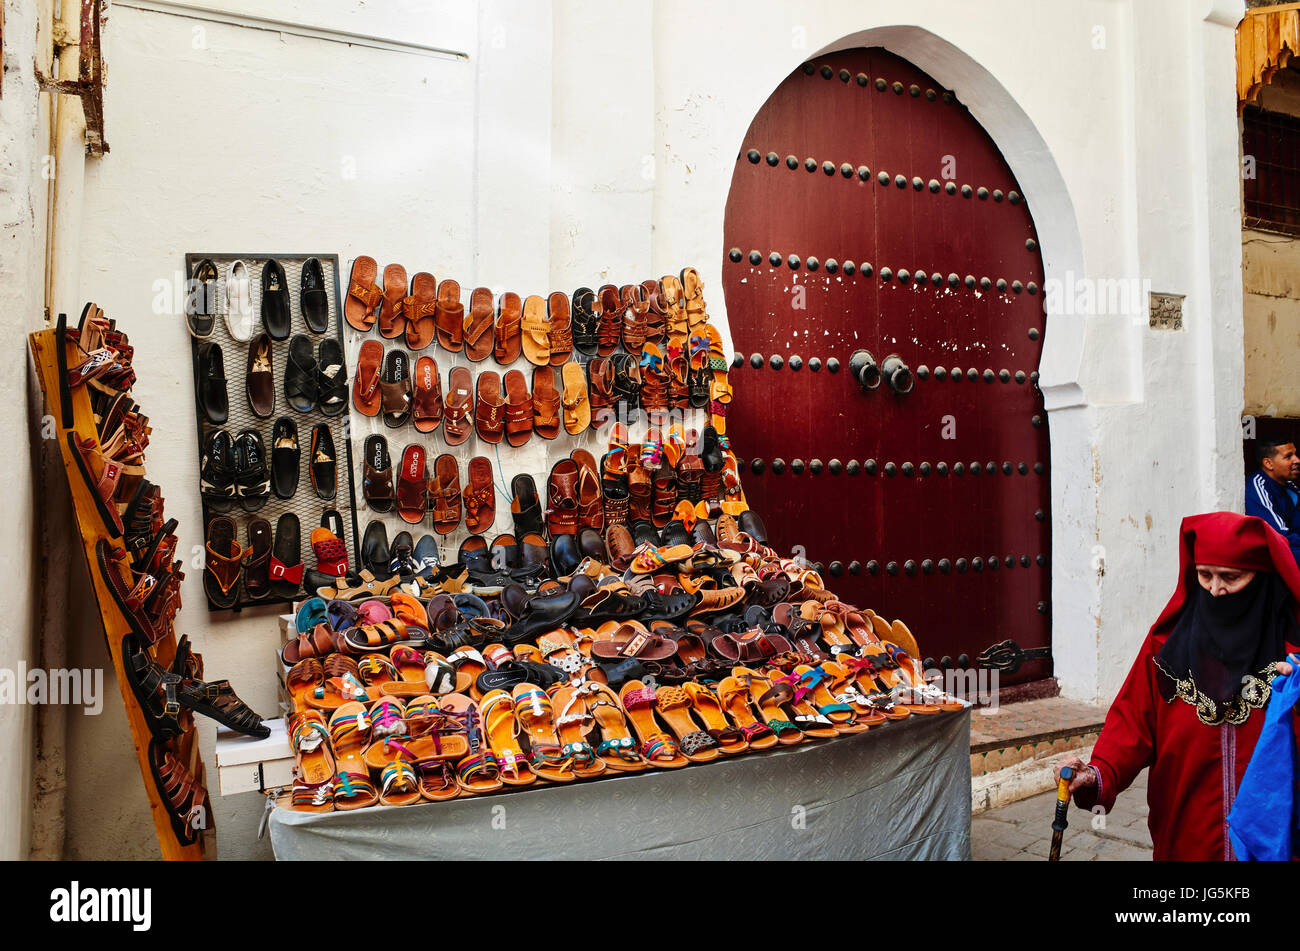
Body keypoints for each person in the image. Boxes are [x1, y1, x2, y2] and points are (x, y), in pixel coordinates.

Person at [1055, 512, 1299, 861]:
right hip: (1187, 838)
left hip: (1278, 845)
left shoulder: (1292, 656)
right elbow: (1131, 725)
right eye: (1205, 575)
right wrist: (1096, 774)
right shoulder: (1165, 649)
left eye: (1231, 577)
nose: (1216, 590)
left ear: (1262, 579)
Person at [1244, 438, 1300, 566]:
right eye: (1288, 456)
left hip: (1291, 546)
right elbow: (1277, 534)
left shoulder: (1290, 487)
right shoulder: (1257, 486)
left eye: (1295, 454)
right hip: (1270, 554)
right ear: (1268, 463)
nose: (1297, 460)